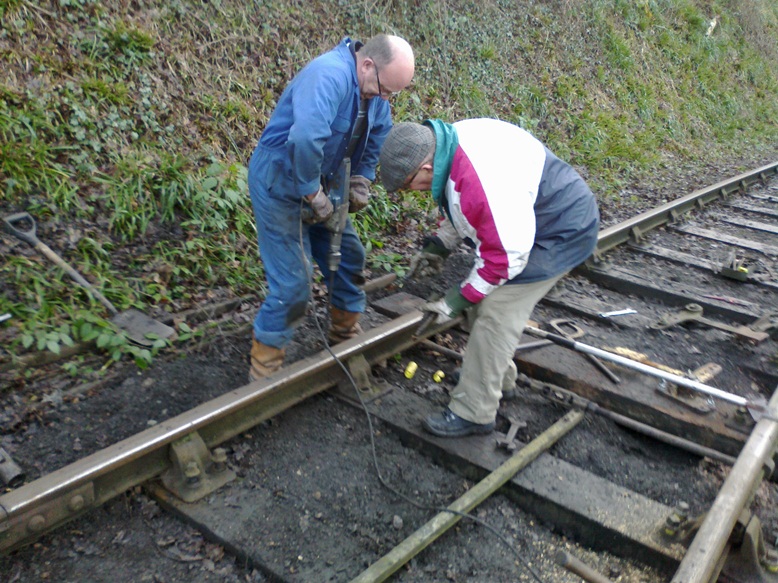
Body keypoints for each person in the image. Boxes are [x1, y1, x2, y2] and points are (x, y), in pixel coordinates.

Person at [379, 118, 600, 437]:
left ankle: (474, 411)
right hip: (531, 217)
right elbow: (459, 203)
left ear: (425, 168)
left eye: (407, 184)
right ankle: (497, 379)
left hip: (560, 230)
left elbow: (504, 259)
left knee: (496, 310)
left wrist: (453, 302)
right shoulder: (446, 149)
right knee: (480, 300)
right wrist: (439, 245)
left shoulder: (480, 179)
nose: (409, 191)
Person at [247, 35, 415, 381]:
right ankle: (264, 369)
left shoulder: (373, 91)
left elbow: (379, 132)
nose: (384, 98)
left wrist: (362, 178)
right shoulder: (328, 75)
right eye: (384, 89)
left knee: (349, 257)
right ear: (367, 64)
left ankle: (344, 334)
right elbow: (305, 138)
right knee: (294, 282)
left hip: (325, 180)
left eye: (391, 94)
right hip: (280, 179)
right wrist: (312, 192)